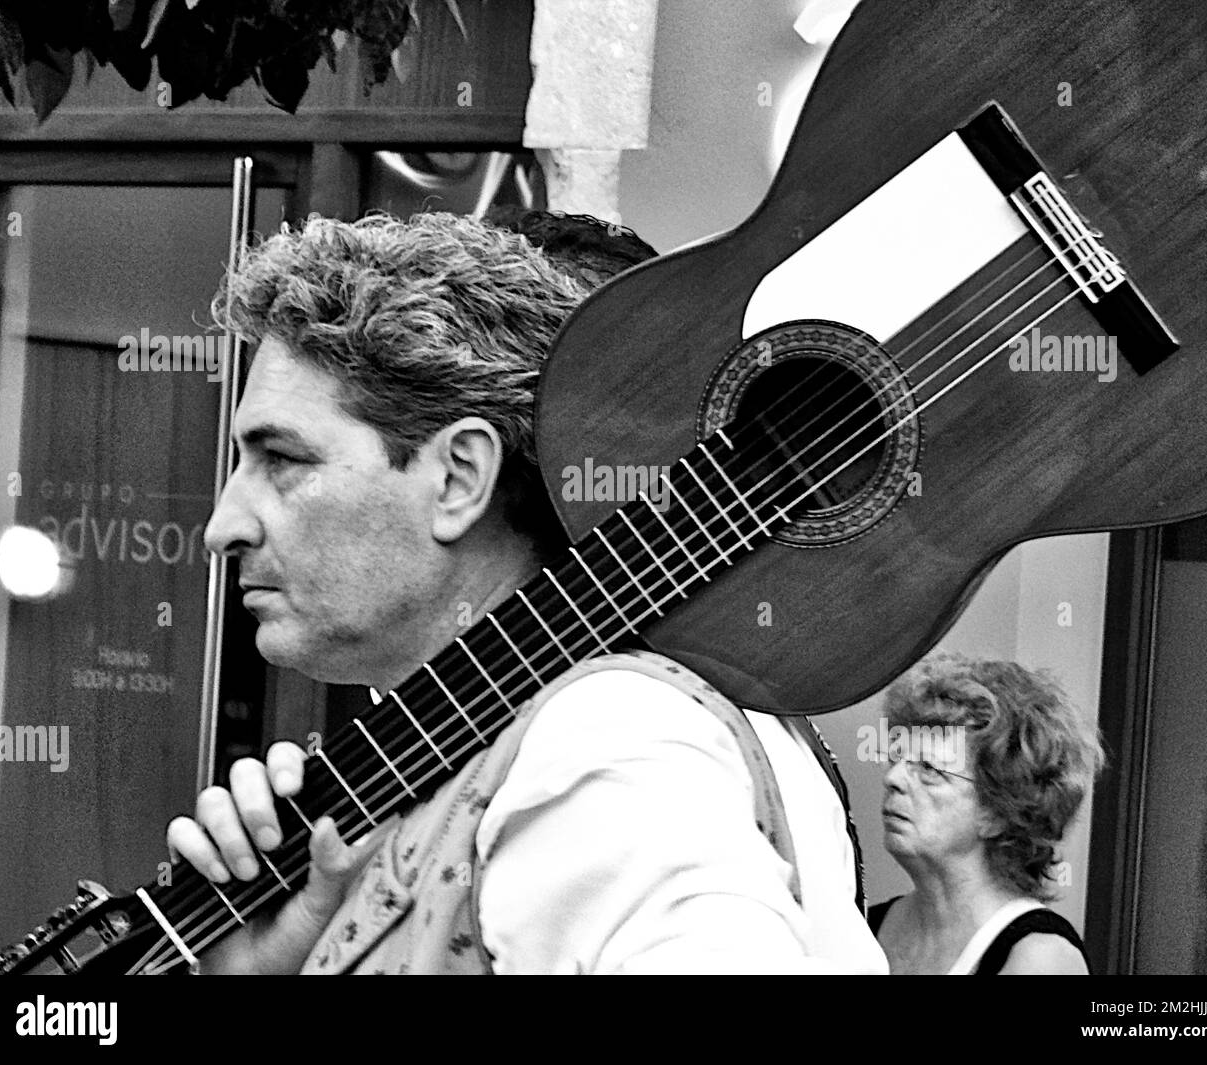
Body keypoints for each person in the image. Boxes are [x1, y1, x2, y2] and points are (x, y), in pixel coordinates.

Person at [166, 209, 887, 975]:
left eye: (281, 457)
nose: (223, 526)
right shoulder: (506, 732)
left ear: (458, 477)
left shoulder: (605, 738)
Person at [868, 653, 1102, 974]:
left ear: (997, 812)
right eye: (897, 758)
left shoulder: (1040, 959)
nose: (892, 779)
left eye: (929, 769)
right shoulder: (864, 927)